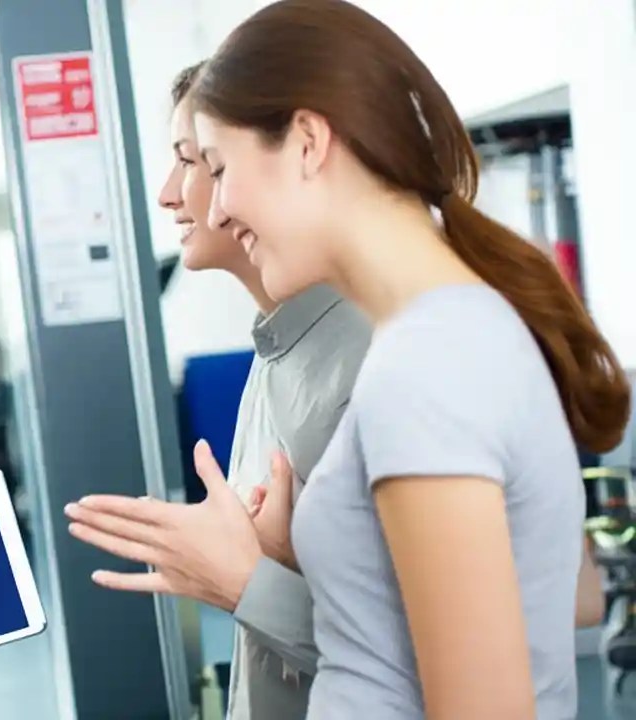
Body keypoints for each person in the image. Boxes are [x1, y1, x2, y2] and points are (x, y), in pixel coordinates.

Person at [66, 1, 632, 718]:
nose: (216, 205)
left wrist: (252, 577)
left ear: (306, 142)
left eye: (216, 166)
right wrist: (299, 550)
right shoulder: (445, 337)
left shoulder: (423, 365)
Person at [166, 62, 374, 718]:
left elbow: (415, 658)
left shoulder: (367, 366)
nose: (173, 193)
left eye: (197, 163)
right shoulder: (275, 350)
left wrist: (247, 581)